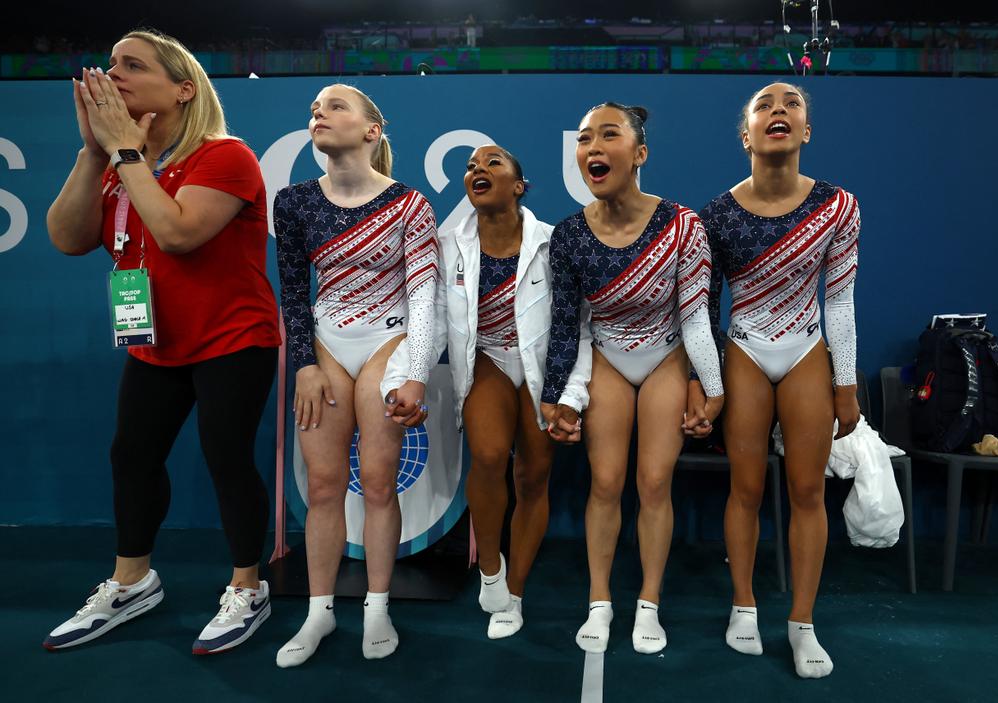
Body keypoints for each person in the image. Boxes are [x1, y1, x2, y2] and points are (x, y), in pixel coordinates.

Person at [44, 29, 281, 654]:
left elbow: (178, 234)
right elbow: (67, 238)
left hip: (233, 338)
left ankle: (248, 587)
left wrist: (124, 153)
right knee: (132, 455)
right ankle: (133, 582)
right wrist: (93, 153)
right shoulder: (118, 163)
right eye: (111, 64)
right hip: (156, 341)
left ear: (183, 89)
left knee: (226, 457)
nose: (113, 75)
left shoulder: (225, 156)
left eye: (133, 65)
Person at [383, 144, 590, 639]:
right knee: (491, 455)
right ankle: (492, 569)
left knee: (534, 476)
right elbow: (429, 321)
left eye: (493, 163)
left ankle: (514, 595)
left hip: (545, 369)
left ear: (519, 186)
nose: (478, 169)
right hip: (488, 361)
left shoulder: (554, 242)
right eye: (471, 165)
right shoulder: (445, 244)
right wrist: (403, 378)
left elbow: (577, 327)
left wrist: (572, 393)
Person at [542, 102, 724, 655]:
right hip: (608, 357)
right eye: (584, 139)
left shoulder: (683, 225)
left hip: (666, 355)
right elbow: (566, 325)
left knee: (653, 483)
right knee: (604, 481)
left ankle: (649, 602)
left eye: (608, 135)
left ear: (640, 153)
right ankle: (599, 601)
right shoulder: (570, 235)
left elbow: (698, 316)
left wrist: (709, 386)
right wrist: (556, 396)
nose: (593, 147)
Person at [693, 82, 860, 679]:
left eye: (791, 104)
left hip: (806, 349)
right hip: (744, 348)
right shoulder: (715, 215)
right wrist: (706, 383)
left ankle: (802, 622)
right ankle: (744, 604)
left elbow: (839, 300)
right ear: (746, 135)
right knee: (746, 488)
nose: (778, 110)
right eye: (764, 105)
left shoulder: (838, 206)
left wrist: (846, 382)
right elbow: (702, 309)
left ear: (806, 130)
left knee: (808, 491)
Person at [272, 83, 439, 666]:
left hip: (386, 343)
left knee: (376, 482)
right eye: (315, 108)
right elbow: (293, 292)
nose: (319, 112)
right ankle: (318, 612)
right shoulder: (294, 201)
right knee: (323, 486)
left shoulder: (409, 204)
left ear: (373, 130)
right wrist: (304, 365)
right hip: (327, 344)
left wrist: (415, 372)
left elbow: (424, 296)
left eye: (335, 105)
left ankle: (377, 607)